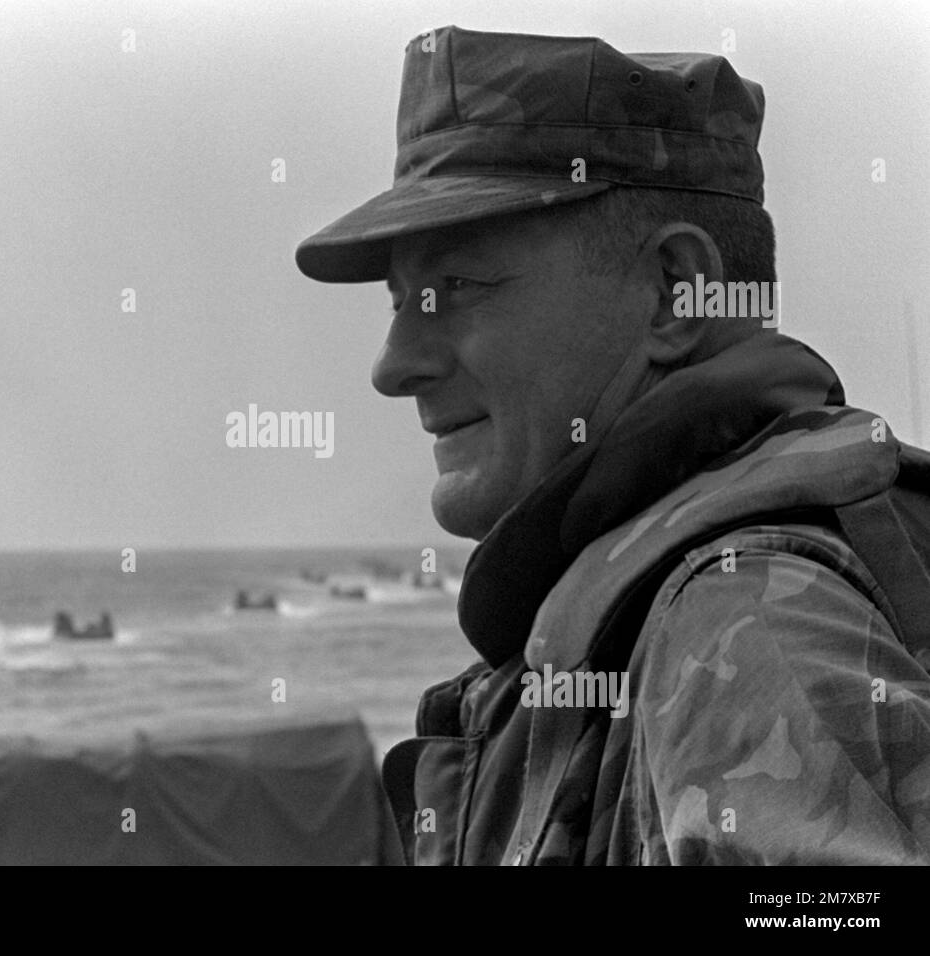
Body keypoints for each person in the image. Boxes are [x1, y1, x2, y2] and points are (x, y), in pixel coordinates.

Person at [295, 26, 930, 864]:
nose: (394, 367)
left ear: (675, 291)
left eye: (456, 287)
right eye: (402, 300)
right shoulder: (688, 603)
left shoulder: (743, 617)